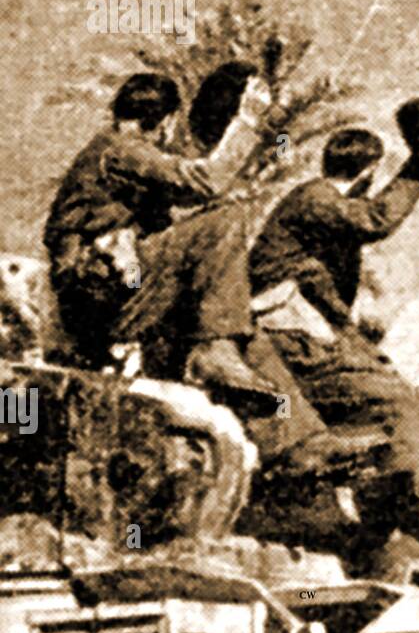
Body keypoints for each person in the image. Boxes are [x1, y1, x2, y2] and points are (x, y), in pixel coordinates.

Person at [247, 104, 419, 554]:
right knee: (409, 413)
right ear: (369, 171)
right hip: (293, 345)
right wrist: (418, 167)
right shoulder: (314, 199)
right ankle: (394, 520)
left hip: (324, 341)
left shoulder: (324, 209)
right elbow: (376, 220)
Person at [44, 71, 277, 405]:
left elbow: (192, 198)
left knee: (242, 335)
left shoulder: (116, 156)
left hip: (110, 295)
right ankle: (213, 352)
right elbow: (207, 182)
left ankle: (300, 440)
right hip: (100, 297)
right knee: (226, 220)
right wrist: (248, 120)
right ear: (166, 120)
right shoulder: (121, 150)